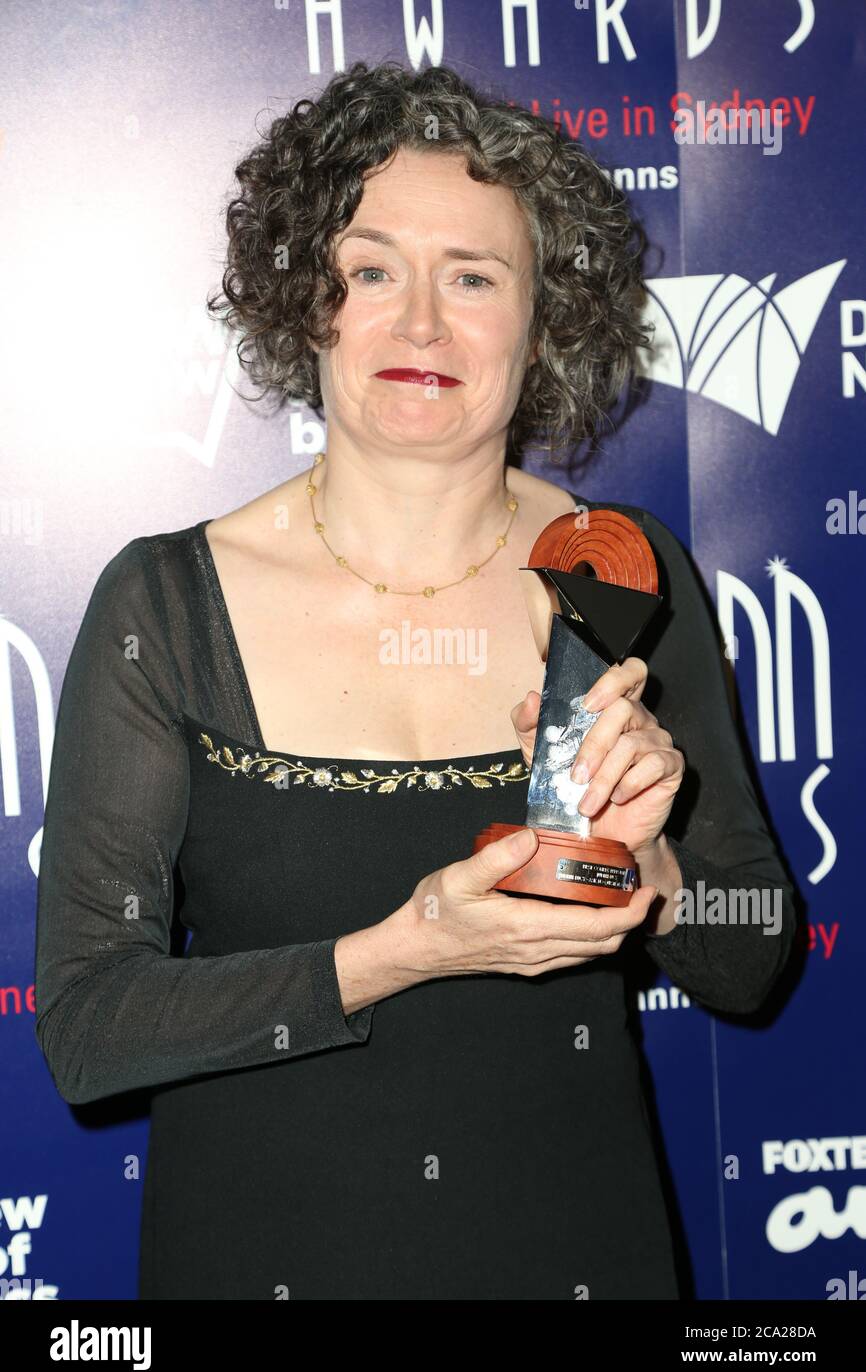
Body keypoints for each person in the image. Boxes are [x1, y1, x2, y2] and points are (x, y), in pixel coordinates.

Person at [34, 61, 796, 1300]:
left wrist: (650, 872)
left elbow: (751, 955)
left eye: (474, 278)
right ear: (305, 303)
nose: (423, 325)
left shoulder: (618, 574)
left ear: (541, 321)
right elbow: (87, 1030)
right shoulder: (166, 604)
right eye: (373, 269)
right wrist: (402, 950)